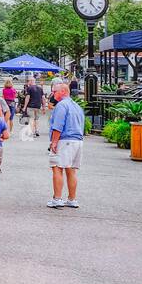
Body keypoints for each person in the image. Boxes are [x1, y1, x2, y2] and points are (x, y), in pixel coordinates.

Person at [47, 77, 85, 209]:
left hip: (65, 140)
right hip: (77, 141)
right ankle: (72, 199)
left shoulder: (62, 106)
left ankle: (57, 199)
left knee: (57, 168)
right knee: (71, 170)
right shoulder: (76, 106)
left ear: (63, 92)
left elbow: (58, 126)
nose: (53, 94)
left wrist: (54, 142)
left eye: (54, 91)